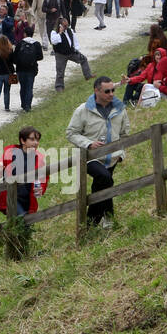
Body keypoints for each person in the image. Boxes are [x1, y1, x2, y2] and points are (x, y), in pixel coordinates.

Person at [66, 76, 130, 228]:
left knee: (101, 185)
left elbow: (125, 134)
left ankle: (101, 222)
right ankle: (94, 222)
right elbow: (71, 133)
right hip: (88, 157)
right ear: (96, 91)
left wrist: (121, 153)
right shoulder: (83, 110)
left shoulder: (120, 109)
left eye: (113, 90)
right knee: (104, 177)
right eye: (107, 91)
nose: (111, 94)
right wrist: (88, 144)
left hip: (112, 157)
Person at [0, 127, 49, 215]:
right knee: (22, 220)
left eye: (37, 140)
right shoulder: (10, 154)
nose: (36, 143)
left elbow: (43, 178)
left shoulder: (39, 158)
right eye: (32, 139)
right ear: (22, 140)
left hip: (27, 199)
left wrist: (41, 189)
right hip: (9, 196)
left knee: (23, 224)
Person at [49, 16, 93, 91]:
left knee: (83, 59)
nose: (66, 27)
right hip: (61, 55)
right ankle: (59, 86)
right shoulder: (54, 32)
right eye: (65, 26)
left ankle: (88, 75)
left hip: (71, 52)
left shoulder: (70, 31)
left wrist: (76, 49)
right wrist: (60, 32)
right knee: (60, 71)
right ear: (60, 25)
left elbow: (75, 41)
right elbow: (54, 41)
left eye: (67, 25)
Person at [12, 33, 44, 112]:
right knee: (29, 87)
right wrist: (33, 59)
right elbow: (40, 57)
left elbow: (14, 57)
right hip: (31, 69)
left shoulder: (20, 43)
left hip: (20, 69)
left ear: (25, 34)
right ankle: (28, 106)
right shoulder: (36, 44)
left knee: (23, 87)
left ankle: (23, 104)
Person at [0, 34, 15, 114]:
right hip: (8, 73)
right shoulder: (10, 50)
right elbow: (13, 61)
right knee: (7, 91)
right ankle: (7, 107)